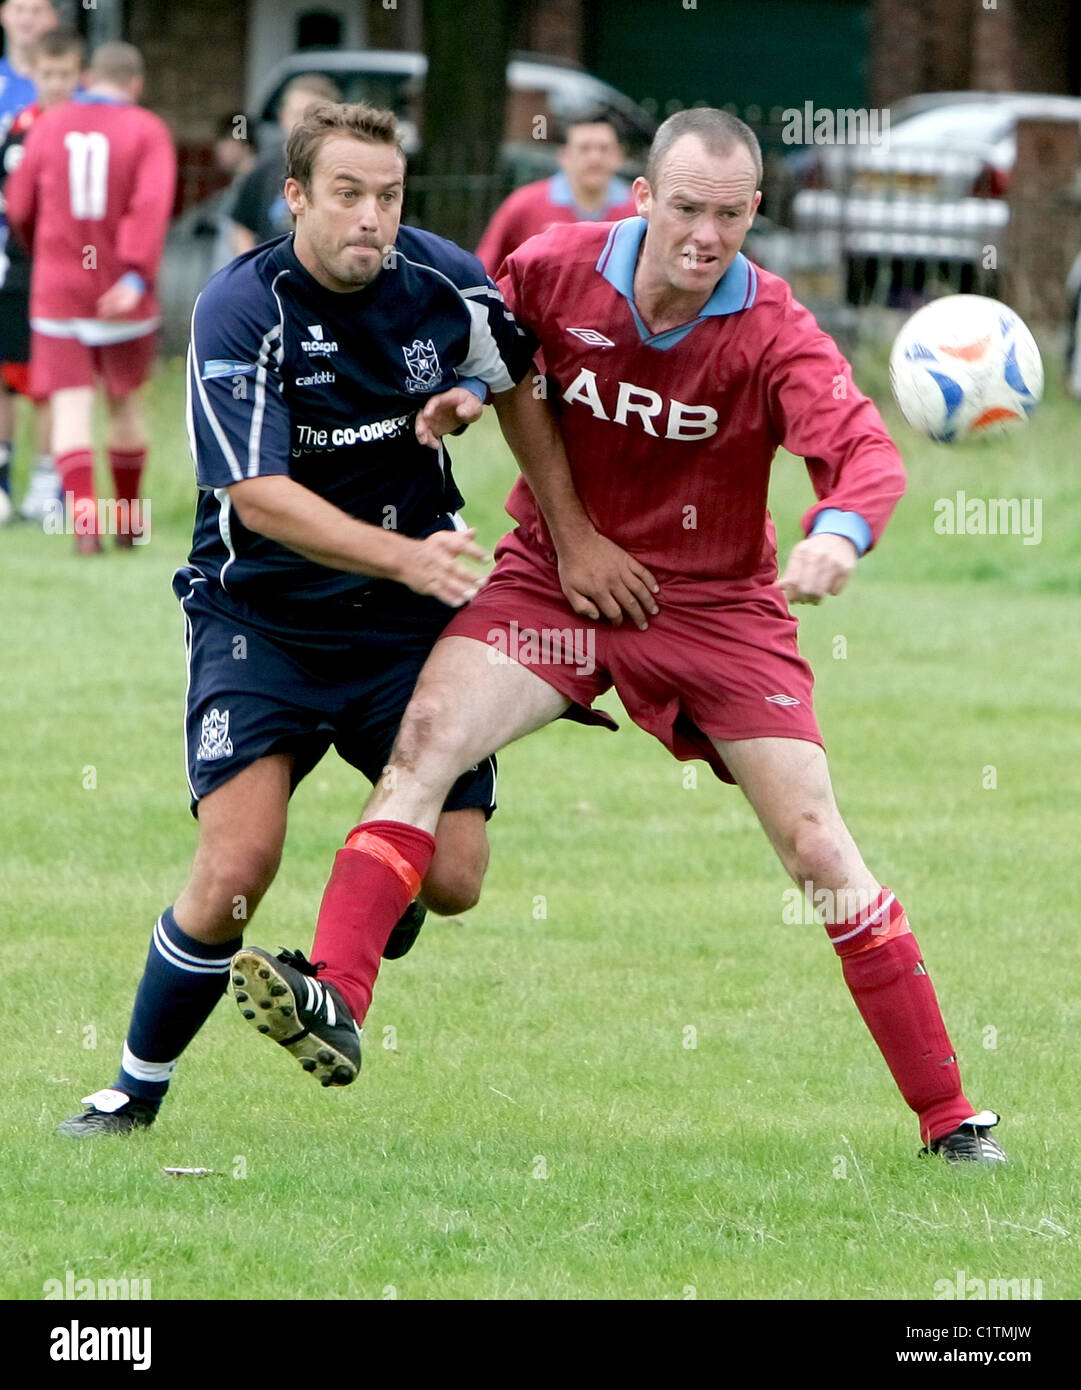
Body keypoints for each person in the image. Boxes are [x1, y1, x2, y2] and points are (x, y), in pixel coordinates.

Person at [230, 108, 1006, 1165]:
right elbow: (490, 347)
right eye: (685, 207)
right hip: (554, 582)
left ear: (753, 215)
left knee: (820, 851)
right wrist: (461, 395)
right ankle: (335, 993)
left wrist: (837, 535)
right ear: (640, 199)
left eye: (729, 215)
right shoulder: (555, 266)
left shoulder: (774, 328)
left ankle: (949, 1118)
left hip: (718, 611)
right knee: (423, 746)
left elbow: (864, 456)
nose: (705, 234)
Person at [56, 99, 537, 1137]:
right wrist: (410, 552)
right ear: (297, 198)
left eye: (389, 195)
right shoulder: (243, 306)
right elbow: (255, 493)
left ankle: (376, 901)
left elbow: (517, 380)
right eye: (348, 194)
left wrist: (465, 400)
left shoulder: (446, 280)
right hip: (260, 620)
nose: (373, 217)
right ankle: (133, 1090)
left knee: (455, 879)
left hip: (408, 627)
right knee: (237, 868)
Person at [5, 40, 177, 553]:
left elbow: (18, 205)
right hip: (121, 292)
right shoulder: (148, 130)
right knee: (125, 405)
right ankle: (126, 527)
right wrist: (135, 276)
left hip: (58, 287)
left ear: (86, 78)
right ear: (136, 85)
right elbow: (150, 206)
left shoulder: (51, 124)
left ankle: (84, 527)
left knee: (71, 405)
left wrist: (45, 250)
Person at [0, 25, 83, 521]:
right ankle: (4, 481)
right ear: (35, 73)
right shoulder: (19, 126)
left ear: (79, 75)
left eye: (64, 73)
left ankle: (48, 485)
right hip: (18, 267)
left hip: (68, 271)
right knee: (7, 376)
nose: (55, 82)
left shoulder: (85, 129)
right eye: (46, 73)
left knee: (53, 381)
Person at [0, 0, 55, 507]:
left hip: (53, 257)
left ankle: (47, 482)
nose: (26, 18)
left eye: (36, 8)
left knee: (46, 373)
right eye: (17, 6)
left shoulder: (65, 95)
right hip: (8, 251)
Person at [476, 111, 636, 277]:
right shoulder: (524, 205)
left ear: (619, 157)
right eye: (584, 148)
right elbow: (485, 271)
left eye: (604, 149)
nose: (595, 158)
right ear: (564, 157)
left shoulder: (637, 210)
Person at [229, 72, 340, 257]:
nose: (304, 124)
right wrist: (254, 270)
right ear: (283, 117)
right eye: (297, 114)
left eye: (314, 115)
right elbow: (242, 229)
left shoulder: (344, 171)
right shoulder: (261, 170)